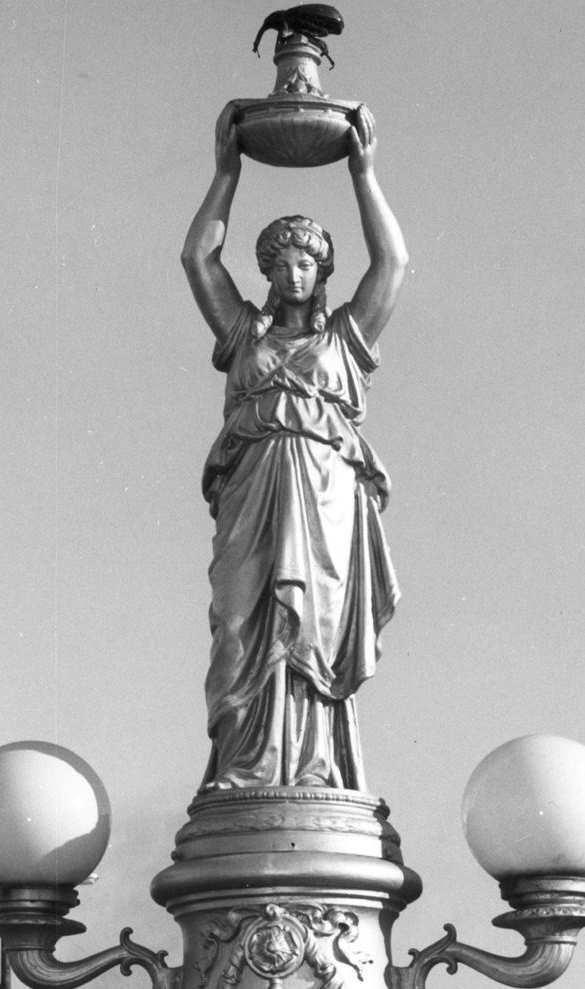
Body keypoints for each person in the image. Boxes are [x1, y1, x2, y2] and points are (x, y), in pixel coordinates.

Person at [180, 103, 409, 793]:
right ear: (267, 274)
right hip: (252, 496)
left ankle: (316, 768)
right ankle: (244, 767)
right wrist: (227, 173)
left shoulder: (345, 341)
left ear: (323, 269)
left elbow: (393, 261)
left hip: (324, 498)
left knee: (311, 627)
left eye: (307, 262)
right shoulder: (243, 337)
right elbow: (197, 257)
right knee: (242, 629)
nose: (294, 275)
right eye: (280, 264)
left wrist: (363, 175)